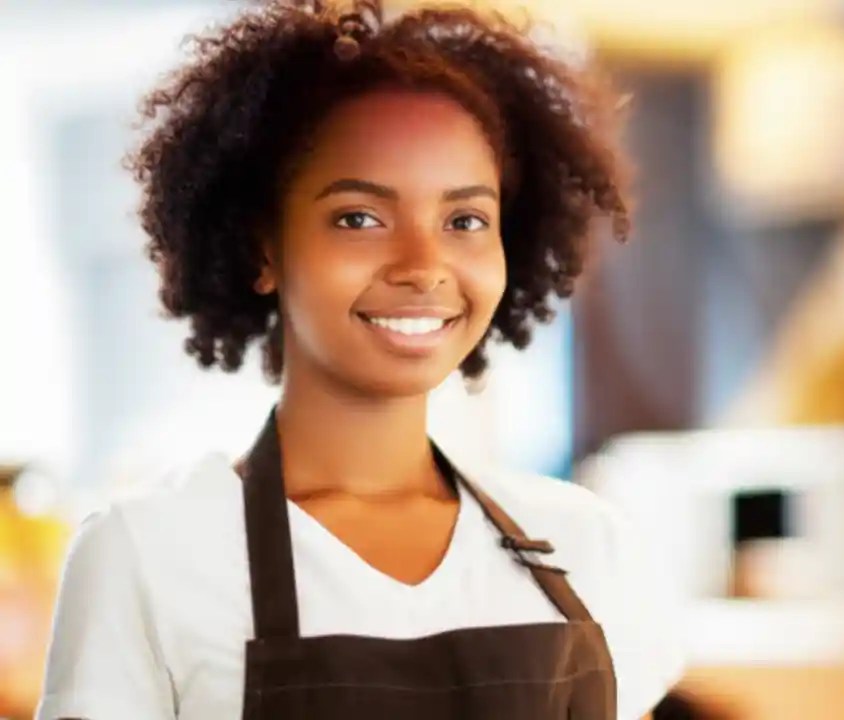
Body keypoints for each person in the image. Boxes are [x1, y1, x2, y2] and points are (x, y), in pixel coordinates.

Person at [36, 2, 683, 718]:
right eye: (359, 218)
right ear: (263, 250)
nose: (423, 265)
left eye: (465, 220)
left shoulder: (585, 545)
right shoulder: (148, 556)